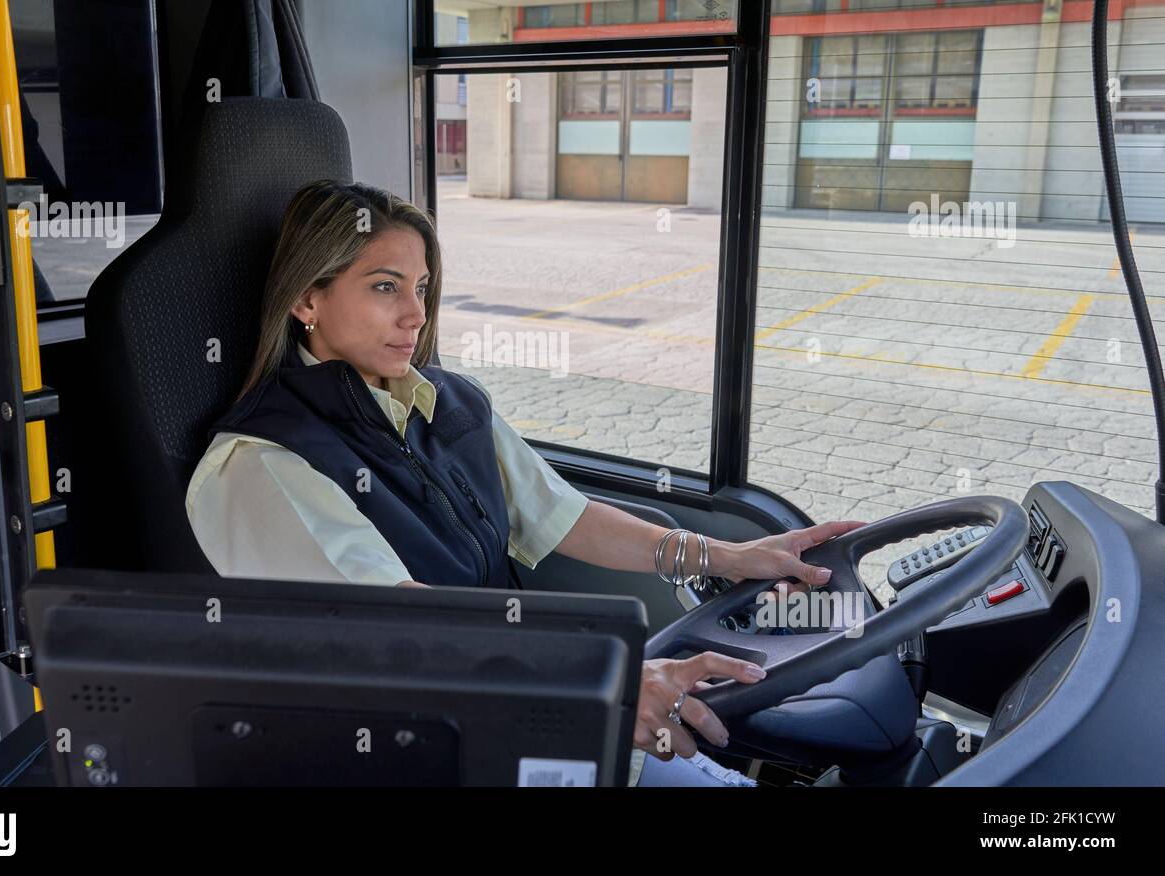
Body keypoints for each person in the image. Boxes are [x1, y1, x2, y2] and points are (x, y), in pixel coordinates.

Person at [186, 179, 862, 787]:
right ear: (308, 298)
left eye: (421, 288)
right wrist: (606, 685)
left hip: (510, 696)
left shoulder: (447, 401)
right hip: (421, 734)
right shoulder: (261, 462)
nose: (416, 316)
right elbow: (393, 624)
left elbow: (559, 514)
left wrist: (727, 555)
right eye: (384, 287)